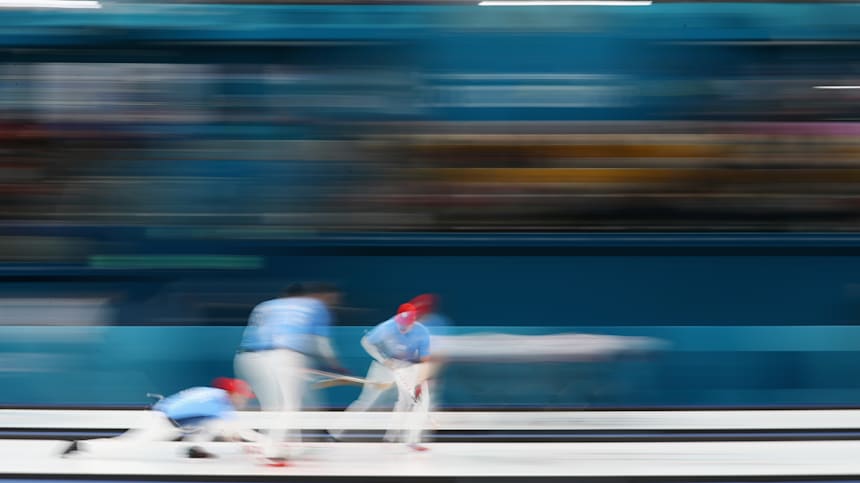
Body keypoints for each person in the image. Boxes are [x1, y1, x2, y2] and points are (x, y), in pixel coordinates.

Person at [234, 282, 346, 464]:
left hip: (247, 357)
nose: (333, 302)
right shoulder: (317, 306)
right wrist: (335, 365)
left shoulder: (266, 305)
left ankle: (277, 443)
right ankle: (273, 450)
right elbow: (321, 344)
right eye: (332, 298)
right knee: (289, 406)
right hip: (285, 356)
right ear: (319, 295)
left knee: (273, 407)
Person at [60, 378, 261, 460]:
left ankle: (195, 448)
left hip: (164, 414)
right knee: (129, 445)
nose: (244, 401)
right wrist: (268, 447)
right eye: (243, 397)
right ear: (234, 394)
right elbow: (240, 432)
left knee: (209, 423)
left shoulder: (210, 393)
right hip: (163, 422)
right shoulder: (221, 404)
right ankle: (80, 446)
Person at [333, 302, 432, 451]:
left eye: (407, 325)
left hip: (408, 367)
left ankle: (399, 438)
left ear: (414, 321)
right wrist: (383, 359)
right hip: (384, 366)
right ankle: (335, 431)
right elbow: (366, 342)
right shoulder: (387, 326)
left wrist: (420, 381)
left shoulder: (421, 332)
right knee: (366, 401)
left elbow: (425, 360)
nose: (403, 328)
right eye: (401, 324)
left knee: (414, 402)